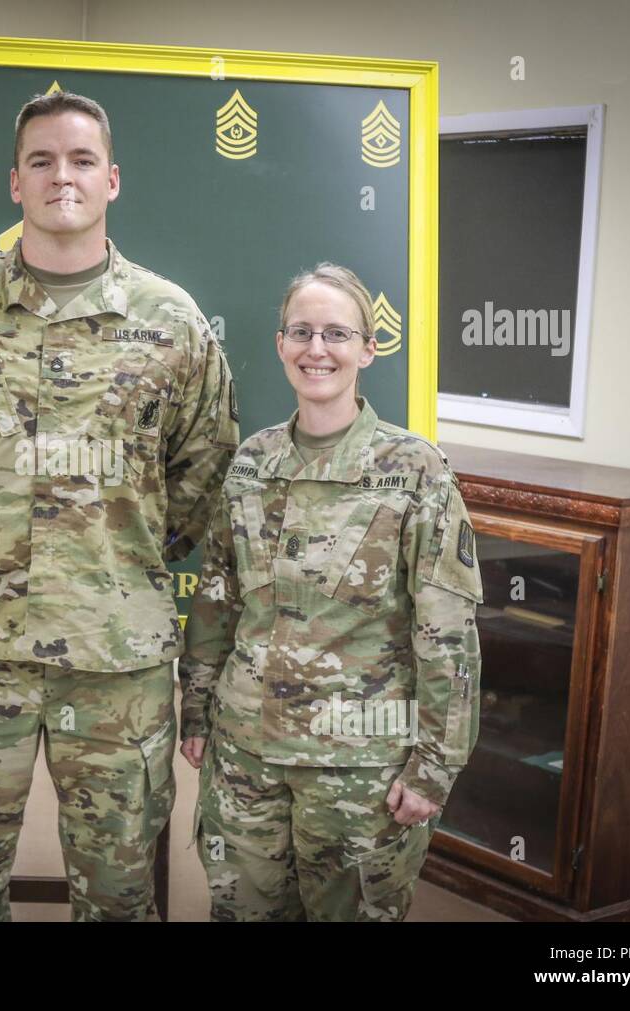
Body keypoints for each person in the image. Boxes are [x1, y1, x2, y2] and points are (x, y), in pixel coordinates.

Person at [0, 91, 239, 921]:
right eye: (41, 160)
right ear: (14, 182)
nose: (60, 176)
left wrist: (119, 552)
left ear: (112, 180)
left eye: (79, 161)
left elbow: (202, 465)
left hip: (116, 662)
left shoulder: (173, 321)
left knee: (118, 895)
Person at [179, 262, 483, 921]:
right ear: (281, 343)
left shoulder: (416, 471)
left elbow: (448, 631)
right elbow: (216, 598)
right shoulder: (250, 463)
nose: (317, 348)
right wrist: (197, 710)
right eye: (302, 331)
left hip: (359, 767)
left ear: (369, 349)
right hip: (245, 753)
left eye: (337, 333)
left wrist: (434, 765)